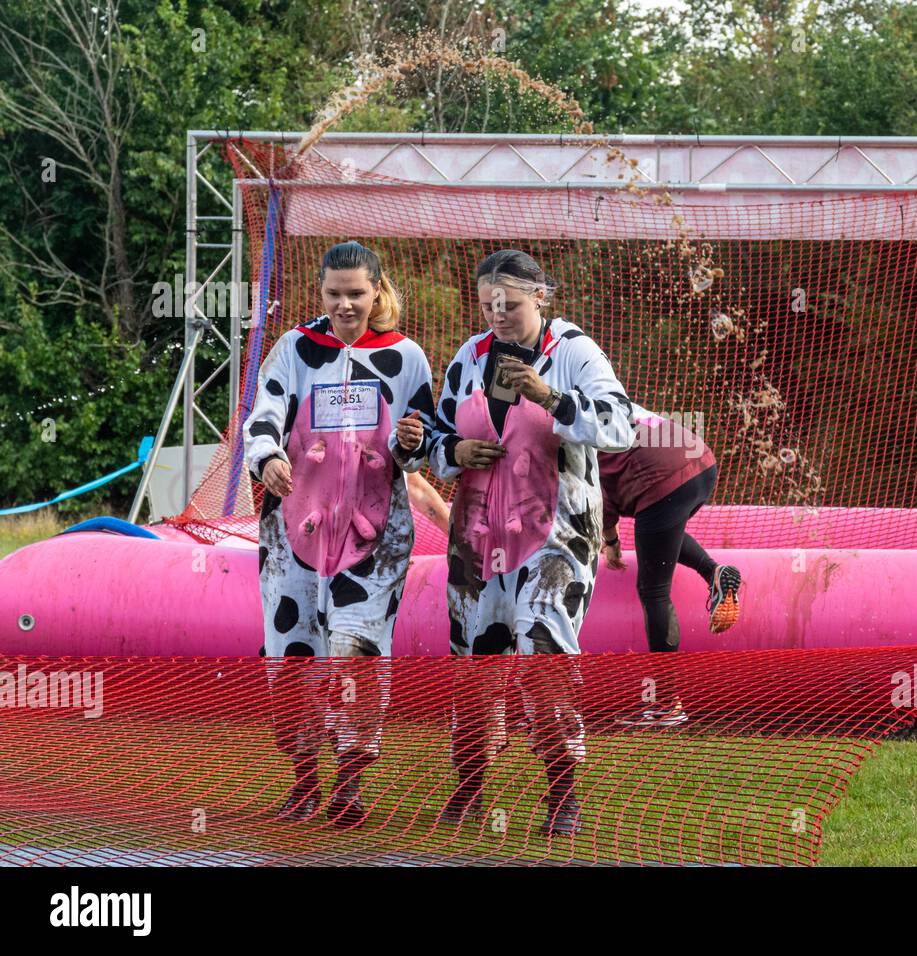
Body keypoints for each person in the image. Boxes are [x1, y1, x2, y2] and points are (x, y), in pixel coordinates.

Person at [428, 249, 634, 837]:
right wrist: (452, 452)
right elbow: (435, 441)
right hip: (477, 535)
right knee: (474, 663)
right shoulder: (468, 359)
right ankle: (469, 784)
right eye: (489, 303)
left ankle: (562, 794)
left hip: (558, 534)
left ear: (541, 298)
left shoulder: (574, 352)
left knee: (544, 652)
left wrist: (551, 398)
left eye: (511, 305)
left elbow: (620, 426)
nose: (498, 314)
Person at [243, 240, 435, 828]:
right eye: (334, 293)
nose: (345, 305)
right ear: (320, 292)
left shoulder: (406, 358)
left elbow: (428, 440)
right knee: (293, 655)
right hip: (293, 535)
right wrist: (268, 456)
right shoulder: (295, 348)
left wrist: (411, 443)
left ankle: (349, 785)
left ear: (377, 291)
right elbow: (263, 415)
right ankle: (303, 783)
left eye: (356, 293)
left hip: (374, 540)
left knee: (356, 654)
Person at [599, 406, 742, 726]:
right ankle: (713, 572)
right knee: (663, 530)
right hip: (701, 461)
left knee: (653, 590)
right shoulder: (608, 395)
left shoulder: (573, 429)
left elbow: (600, 502)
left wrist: (611, 542)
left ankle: (665, 704)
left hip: (662, 480)